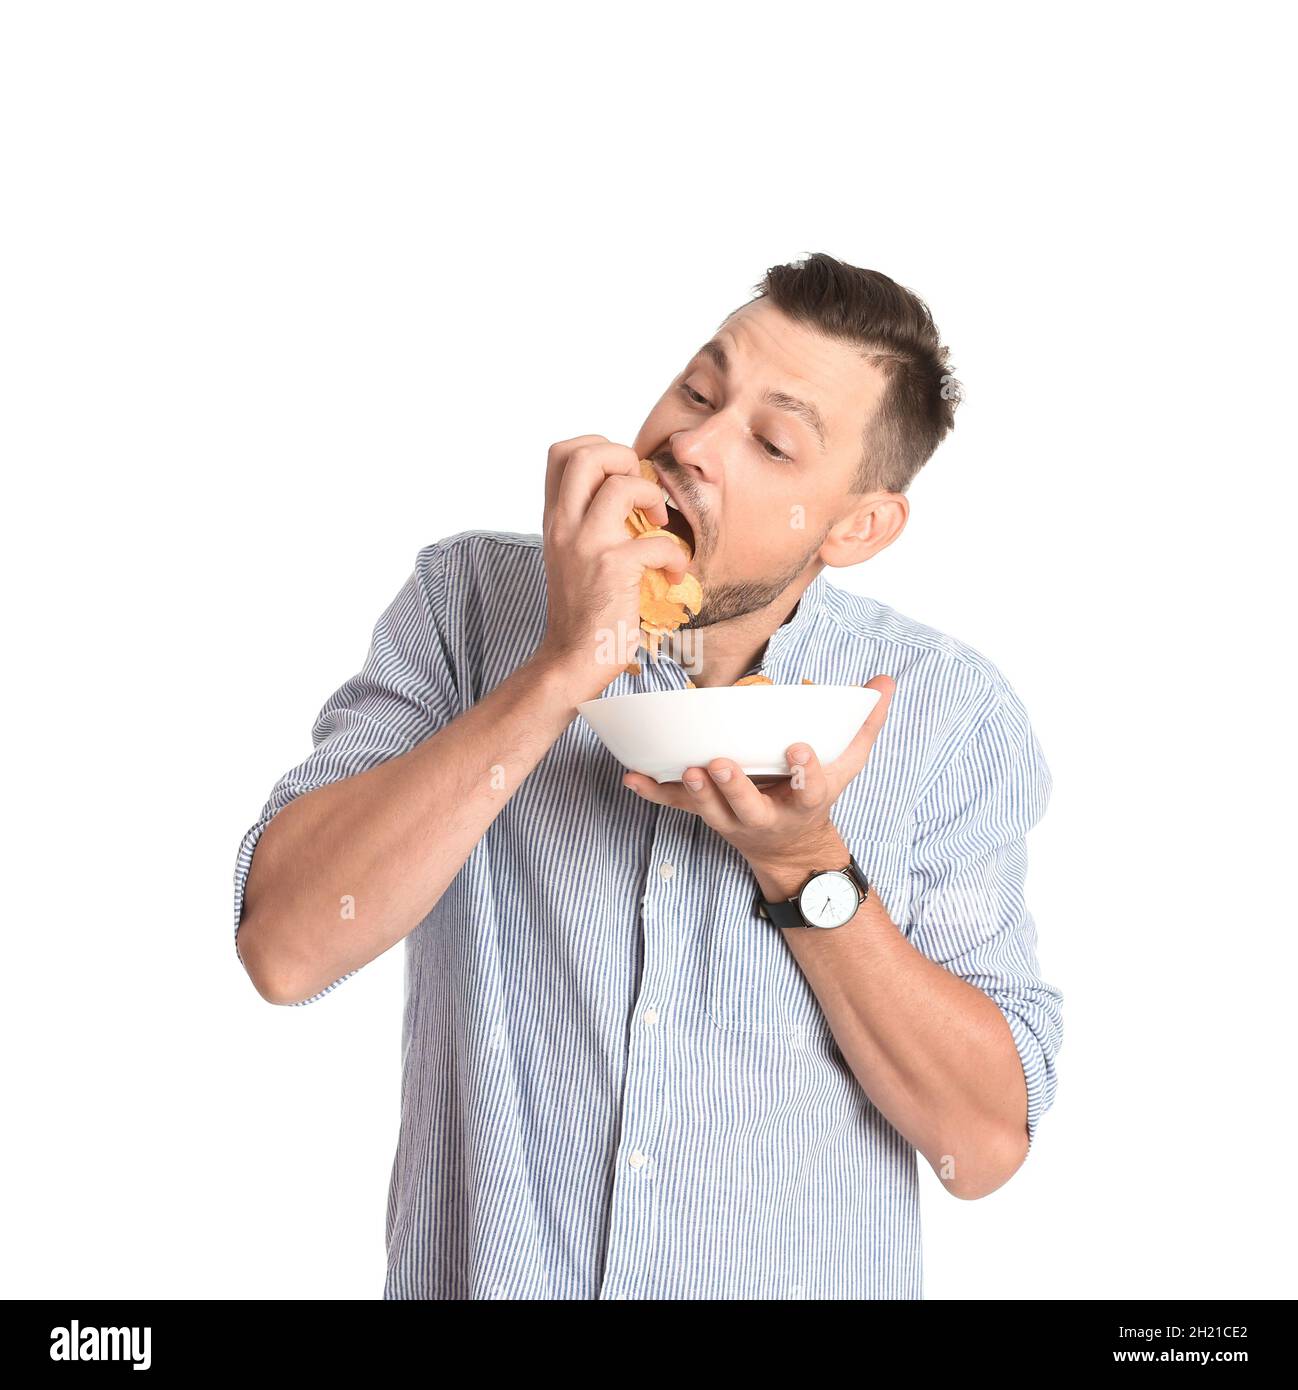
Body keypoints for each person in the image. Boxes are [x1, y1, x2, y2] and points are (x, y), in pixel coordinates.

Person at [232, 251, 1063, 1300]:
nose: (690, 445)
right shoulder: (463, 605)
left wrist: (802, 863)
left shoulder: (946, 715)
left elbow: (979, 1145)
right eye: (697, 391)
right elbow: (285, 948)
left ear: (855, 525)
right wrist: (559, 668)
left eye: (768, 441)